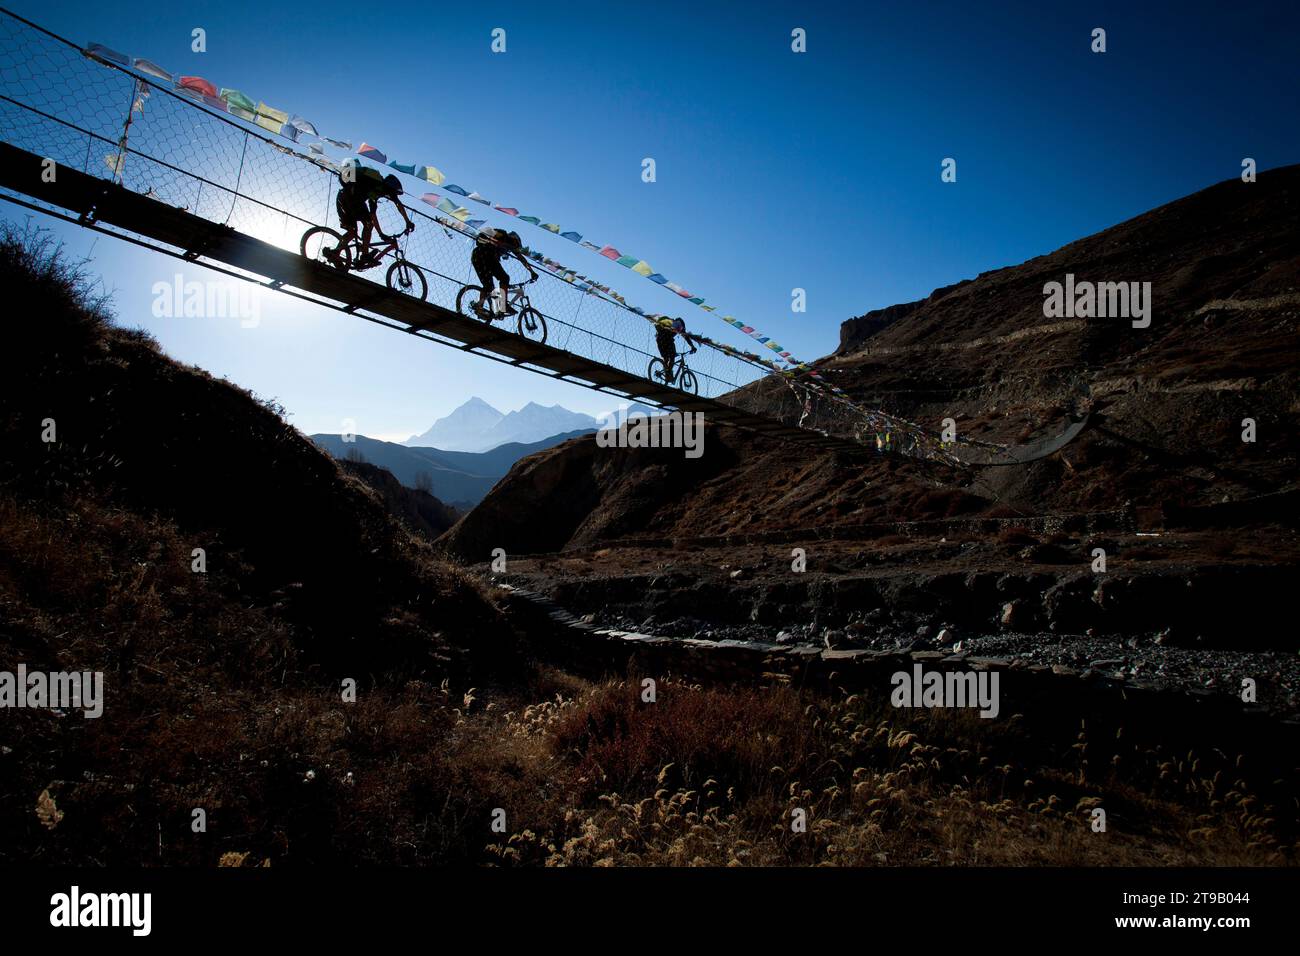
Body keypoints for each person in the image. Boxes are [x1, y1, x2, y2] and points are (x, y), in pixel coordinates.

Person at [334, 163, 412, 268]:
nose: (389, 196)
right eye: (390, 193)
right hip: (350, 197)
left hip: (343, 197)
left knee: (352, 232)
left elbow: (373, 214)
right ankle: (365, 254)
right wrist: (408, 222)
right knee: (368, 224)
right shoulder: (375, 180)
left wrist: (381, 234)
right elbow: (397, 204)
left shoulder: (374, 194)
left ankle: (335, 253)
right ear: (388, 187)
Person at [471, 227, 537, 318]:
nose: (513, 249)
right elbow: (488, 236)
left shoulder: (510, 245)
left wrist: (532, 271)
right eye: (515, 245)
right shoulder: (503, 235)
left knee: (488, 286)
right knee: (504, 278)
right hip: (486, 255)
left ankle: (479, 308)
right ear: (514, 239)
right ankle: (503, 305)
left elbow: (521, 258)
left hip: (477, 256)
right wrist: (500, 243)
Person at [655, 316, 697, 383]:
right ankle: (668, 374)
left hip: (659, 339)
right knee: (672, 357)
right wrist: (692, 346)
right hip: (667, 339)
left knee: (666, 358)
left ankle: (666, 374)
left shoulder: (671, 323)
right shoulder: (678, 324)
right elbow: (686, 337)